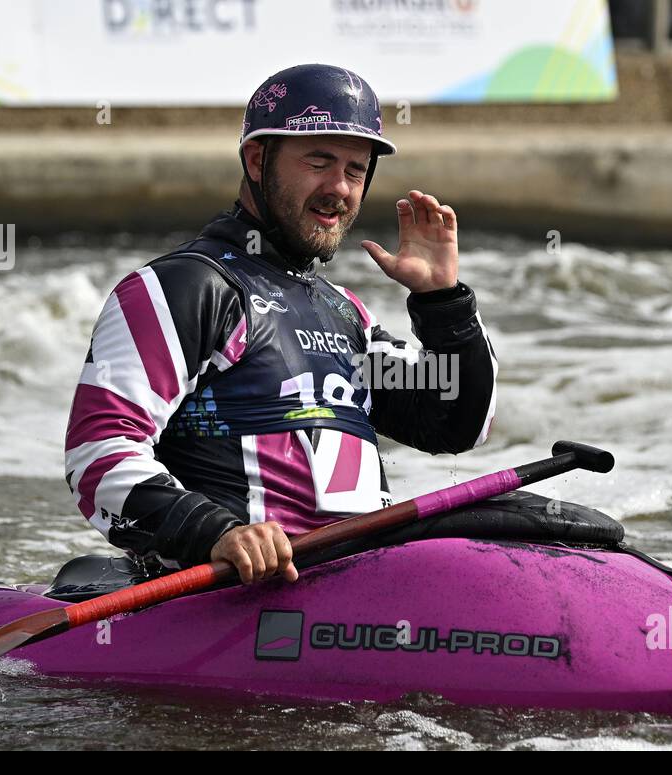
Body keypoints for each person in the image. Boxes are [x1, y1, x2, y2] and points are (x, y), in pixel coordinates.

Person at [63, 64, 497, 586]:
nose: (339, 188)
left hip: (358, 586)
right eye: (319, 162)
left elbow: (456, 426)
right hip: (231, 602)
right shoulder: (183, 288)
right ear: (256, 159)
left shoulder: (345, 313)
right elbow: (99, 449)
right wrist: (217, 533)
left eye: (356, 170)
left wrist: (442, 302)